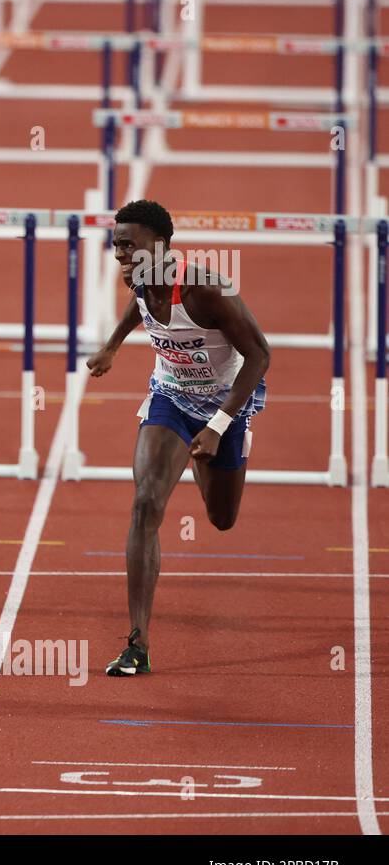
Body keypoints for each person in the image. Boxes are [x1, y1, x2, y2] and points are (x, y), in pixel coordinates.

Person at [86, 199, 269, 676]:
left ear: (160, 244)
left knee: (221, 518)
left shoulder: (207, 289)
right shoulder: (140, 277)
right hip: (169, 398)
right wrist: (113, 344)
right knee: (145, 504)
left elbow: (259, 355)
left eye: (128, 243)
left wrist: (219, 426)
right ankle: (138, 644)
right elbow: (140, 302)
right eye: (116, 244)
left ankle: (218, 451)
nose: (119, 253)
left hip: (222, 405)